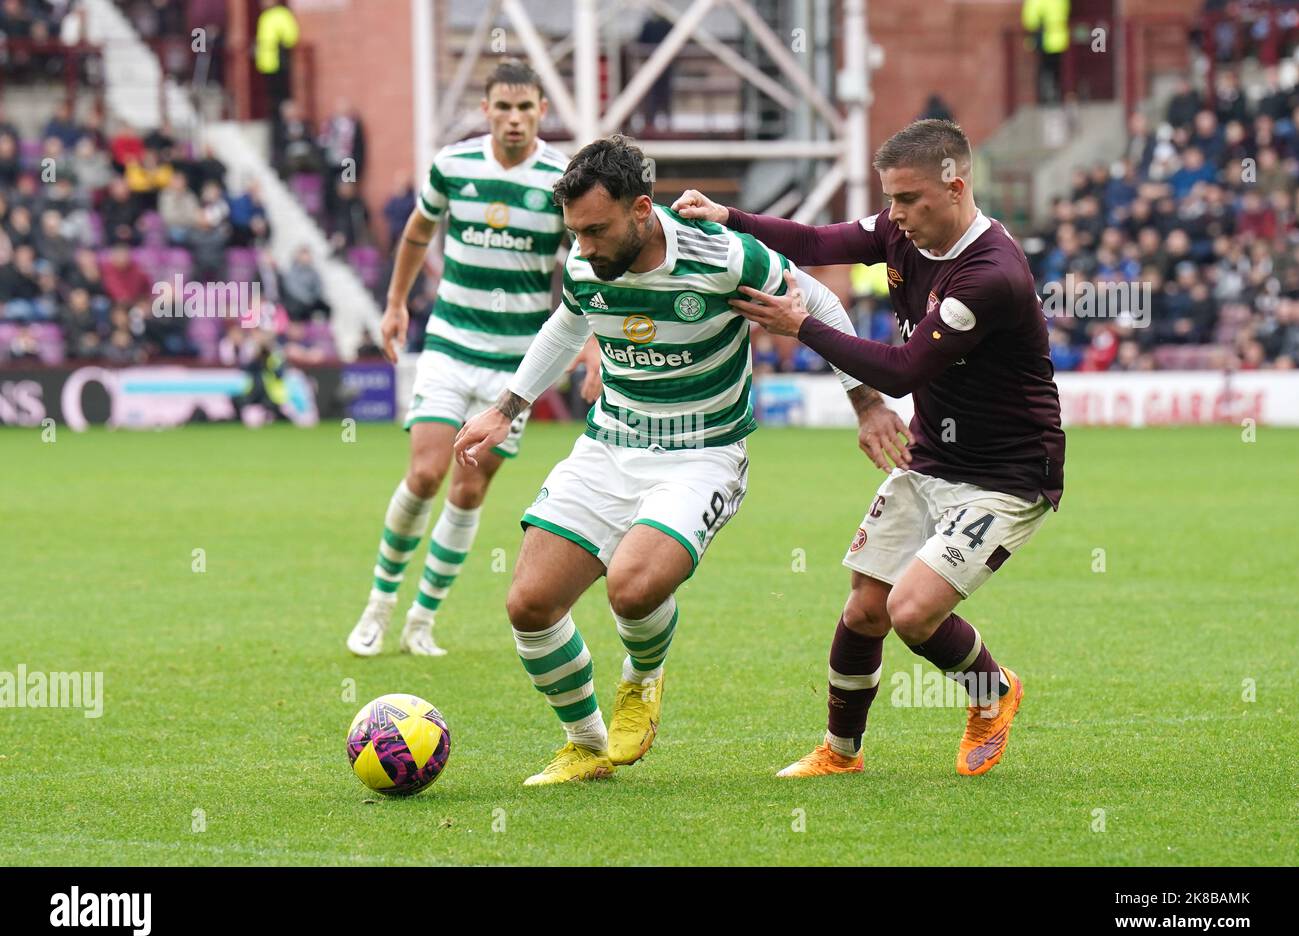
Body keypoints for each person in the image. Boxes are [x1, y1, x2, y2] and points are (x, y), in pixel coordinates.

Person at [452, 135, 901, 786]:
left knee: (631, 587)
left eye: (597, 230)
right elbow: (567, 324)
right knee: (528, 604)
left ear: (641, 210)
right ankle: (585, 746)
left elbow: (820, 304)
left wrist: (866, 403)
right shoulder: (587, 261)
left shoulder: (723, 256)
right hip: (610, 445)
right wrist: (506, 407)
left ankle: (642, 676)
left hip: (702, 454)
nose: (584, 248)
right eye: (574, 233)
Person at [673, 118, 1066, 778]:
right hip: (934, 456)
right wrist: (727, 216)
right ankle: (841, 753)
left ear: (956, 185)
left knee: (910, 611)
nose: (896, 215)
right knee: (863, 607)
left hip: (1008, 472)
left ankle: (992, 693)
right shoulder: (896, 229)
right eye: (890, 199)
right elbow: (815, 239)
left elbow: (905, 370)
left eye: (909, 199)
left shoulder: (988, 276)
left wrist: (801, 327)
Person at [345, 60, 585, 659]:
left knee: (469, 490)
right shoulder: (453, 165)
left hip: (517, 366)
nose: (513, 118)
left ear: (541, 112)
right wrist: (396, 302)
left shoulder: (561, 181)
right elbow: (417, 232)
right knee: (425, 472)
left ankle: (422, 619)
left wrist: (590, 341)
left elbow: (585, 266)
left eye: (525, 108)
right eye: (503, 107)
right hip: (450, 344)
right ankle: (378, 604)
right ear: (486, 109)